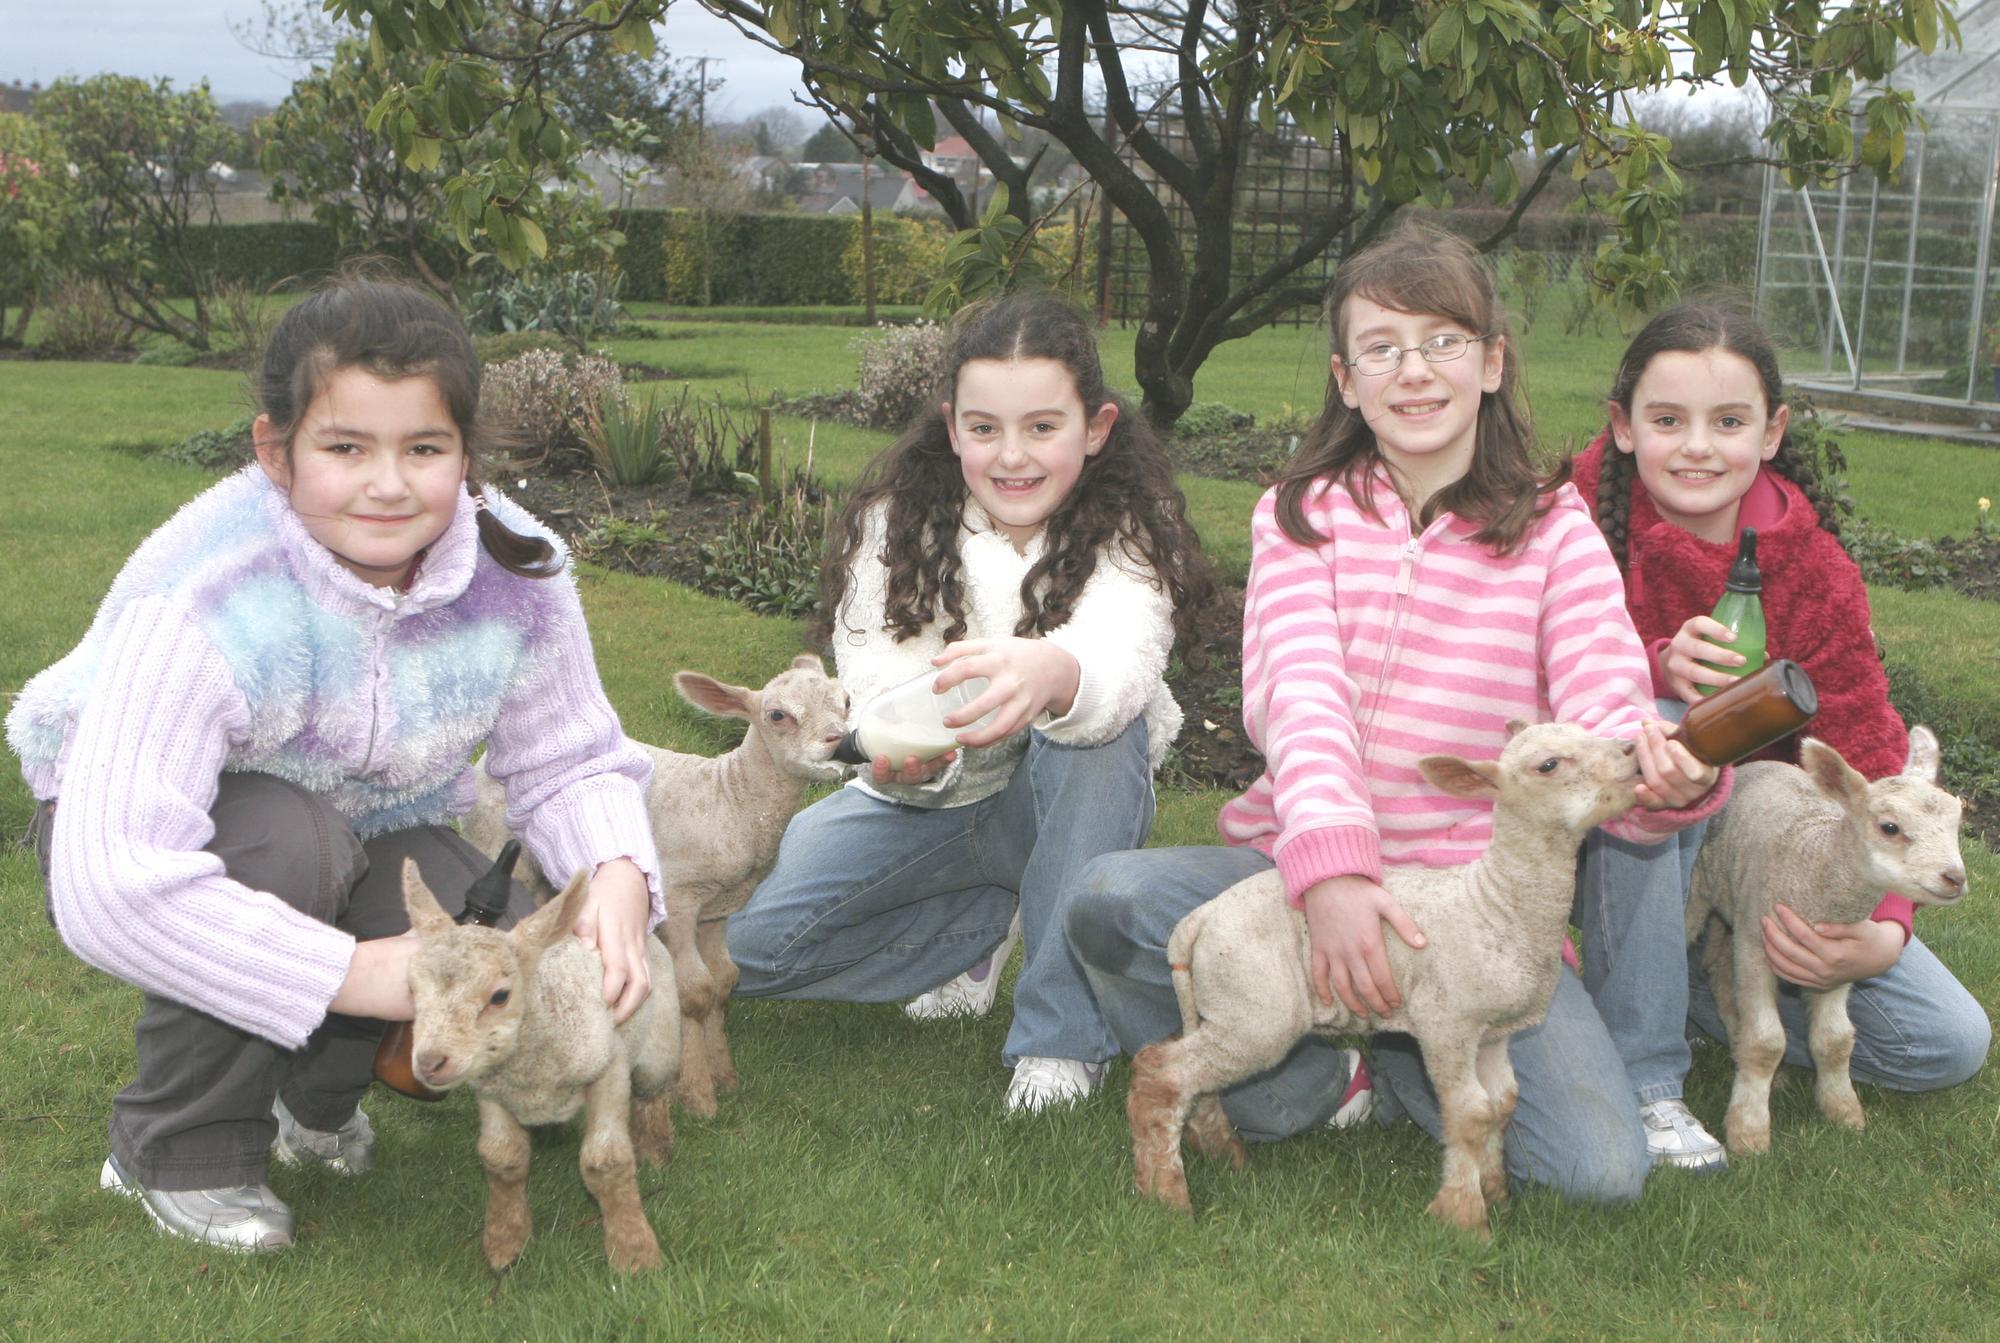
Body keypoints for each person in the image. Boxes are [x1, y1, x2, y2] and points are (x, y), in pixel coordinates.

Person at [1063, 218, 1730, 1205]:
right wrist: (1332, 872)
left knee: (1597, 1172)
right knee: (1110, 899)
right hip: (1294, 880)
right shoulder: (1299, 514)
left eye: (1442, 342)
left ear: (1491, 362)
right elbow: (1298, 695)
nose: (1412, 371)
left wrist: (1656, 771)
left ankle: (1391, 1054)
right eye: (1381, 347)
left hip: (1462, 919)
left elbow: (1599, 694)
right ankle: (1326, 1059)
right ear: (1345, 377)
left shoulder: (1554, 531)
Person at [6, 276, 664, 1253]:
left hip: (369, 818)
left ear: (466, 453)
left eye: (425, 448)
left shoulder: (515, 569)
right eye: (346, 447)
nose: (388, 483)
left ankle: (309, 1106)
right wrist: (354, 971)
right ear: (277, 451)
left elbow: (567, 757)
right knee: (290, 846)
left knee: (481, 922)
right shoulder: (210, 595)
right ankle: (175, 1147)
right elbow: (113, 881)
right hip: (141, 825)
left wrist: (614, 869)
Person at [725, 291, 1213, 1114]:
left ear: (1095, 428)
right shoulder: (895, 525)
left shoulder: (1131, 526)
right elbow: (874, 679)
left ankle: (1060, 1033)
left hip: (1061, 803)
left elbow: (1122, 659)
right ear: (952, 429)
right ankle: (982, 927)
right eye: (985, 428)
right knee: (747, 949)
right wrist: (913, 736)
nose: (1012, 456)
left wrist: (1053, 672)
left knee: (1099, 733)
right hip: (925, 803)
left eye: (1042, 427)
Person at [1571, 301, 1989, 1174]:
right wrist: (1650, 664)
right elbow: (1519, 693)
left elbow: (1870, 756)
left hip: (1779, 860)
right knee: (1673, 733)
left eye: (1729, 421)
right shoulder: (1569, 530)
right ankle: (1646, 1066)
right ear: (1621, 426)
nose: (1697, 446)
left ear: (1772, 431)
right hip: (1607, 844)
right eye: (1667, 420)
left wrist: (1886, 928)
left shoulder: (1816, 571)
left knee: (1944, 1044)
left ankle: (1691, 979)